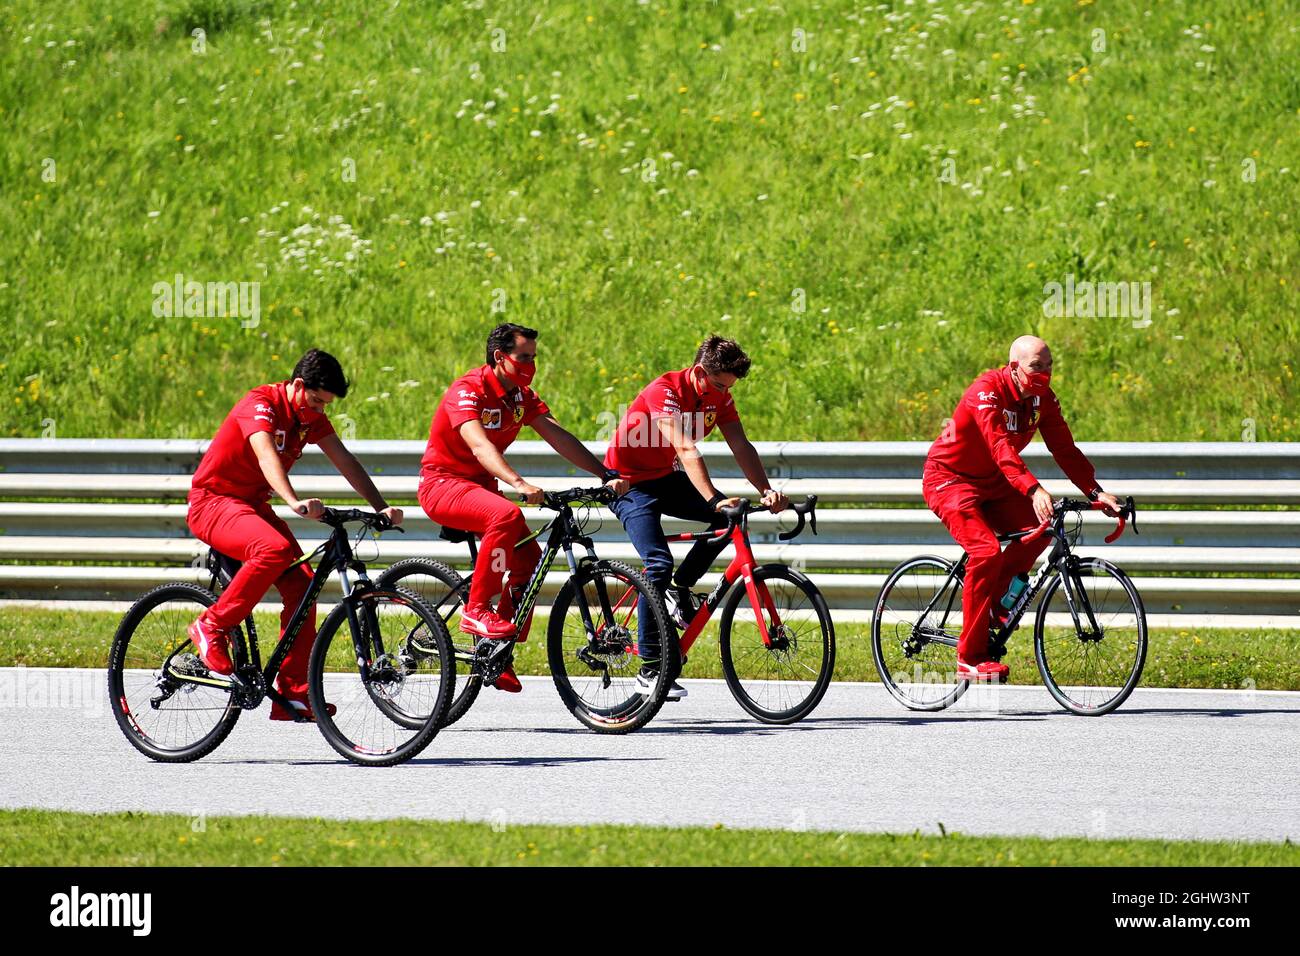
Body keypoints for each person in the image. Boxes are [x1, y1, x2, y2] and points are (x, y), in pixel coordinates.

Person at [186, 348, 403, 721]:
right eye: (317, 402)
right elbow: (266, 453)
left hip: (251, 506)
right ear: (298, 386)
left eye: (326, 406)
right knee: (271, 549)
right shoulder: (261, 404)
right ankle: (211, 626)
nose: (320, 413)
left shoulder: (311, 417)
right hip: (214, 502)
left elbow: (345, 460)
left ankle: (293, 694)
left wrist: (380, 506)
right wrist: (292, 500)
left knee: (303, 587)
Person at [418, 323, 628, 693]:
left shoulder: (520, 396)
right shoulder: (467, 390)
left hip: (483, 489)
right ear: (500, 357)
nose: (531, 365)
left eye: (534, 357)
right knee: (507, 514)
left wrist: (604, 474)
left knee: (529, 563)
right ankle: (476, 612)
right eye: (524, 357)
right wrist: (519, 484)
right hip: (442, 485)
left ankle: (497, 652)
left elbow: (558, 435)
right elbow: (482, 448)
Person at [923, 335, 1124, 681]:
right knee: (985, 552)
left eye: (1049, 367)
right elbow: (1000, 447)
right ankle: (968, 658)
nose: (1045, 374)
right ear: (1015, 368)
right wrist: (1032, 489)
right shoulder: (986, 392)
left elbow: (1065, 449)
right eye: (1036, 366)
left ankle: (994, 608)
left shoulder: (1041, 400)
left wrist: (1095, 492)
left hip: (994, 483)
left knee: (1043, 526)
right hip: (950, 480)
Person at [604, 335, 789, 700]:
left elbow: (741, 445)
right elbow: (685, 447)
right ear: (700, 372)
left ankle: (679, 588)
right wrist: (714, 498)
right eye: (719, 385)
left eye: (729, 388)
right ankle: (651, 667)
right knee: (656, 563)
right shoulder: (665, 390)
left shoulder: (719, 395)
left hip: (664, 478)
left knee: (729, 521)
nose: (723, 394)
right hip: (628, 485)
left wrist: (766, 489)